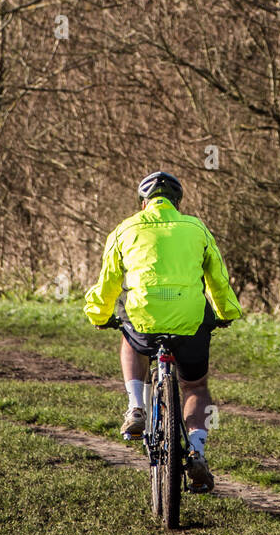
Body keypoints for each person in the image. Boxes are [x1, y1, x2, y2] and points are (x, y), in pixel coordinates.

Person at [84, 171, 242, 493]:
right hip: (190, 321)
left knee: (129, 336)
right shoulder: (196, 228)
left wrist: (99, 315)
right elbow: (218, 279)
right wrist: (227, 313)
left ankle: (136, 407)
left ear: (144, 203)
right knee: (195, 385)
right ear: (177, 203)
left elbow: (108, 283)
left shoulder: (125, 229)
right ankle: (197, 450)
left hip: (145, 318)